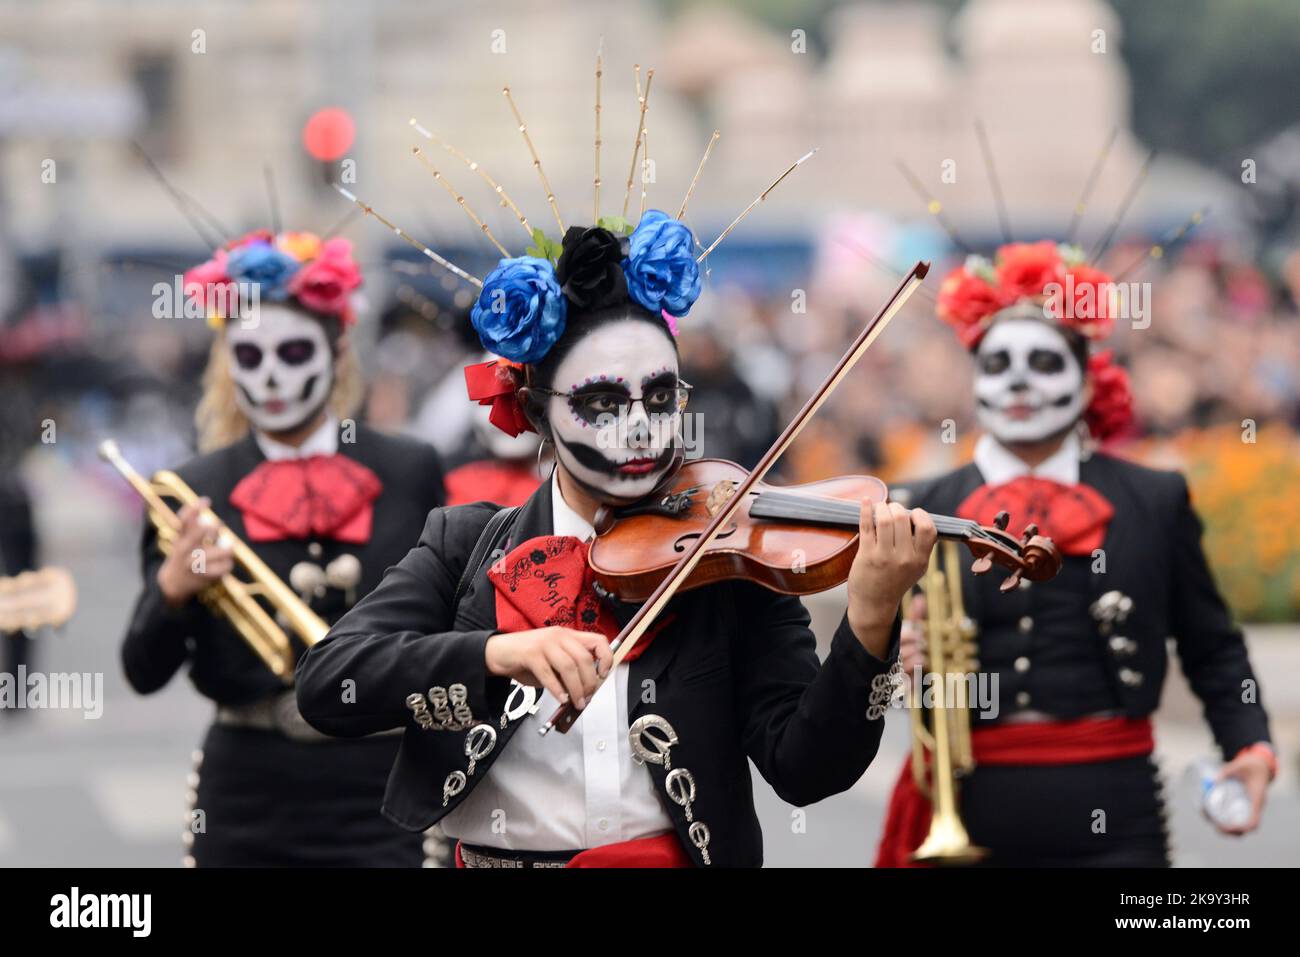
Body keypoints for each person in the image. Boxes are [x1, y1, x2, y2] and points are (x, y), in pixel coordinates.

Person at [295, 210, 938, 867]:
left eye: (660, 399)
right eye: (602, 403)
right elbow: (327, 684)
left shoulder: (726, 565)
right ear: (540, 409)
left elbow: (806, 769)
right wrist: (495, 652)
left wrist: (869, 620)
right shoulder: (465, 543)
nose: (639, 429)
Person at [875, 241, 1276, 867]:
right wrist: (890, 653)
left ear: (1087, 378)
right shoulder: (920, 506)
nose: (1020, 383)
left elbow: (1211, 643)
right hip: (968, 803)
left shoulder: (1154, 497)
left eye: (1043, 361)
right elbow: (854, 675)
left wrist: (1249, 747)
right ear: (974, 379)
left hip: (1118, 809)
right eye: (999, 365)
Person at [119, 228, 446, 866]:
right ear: (226, 361)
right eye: (249, 358)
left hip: (387, 786)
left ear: (338, 347)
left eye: (294, 352)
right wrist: (171, 591)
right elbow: (142, 670)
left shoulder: (411, 467)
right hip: (247, 795)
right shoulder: (192, 488)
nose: (271, 377)